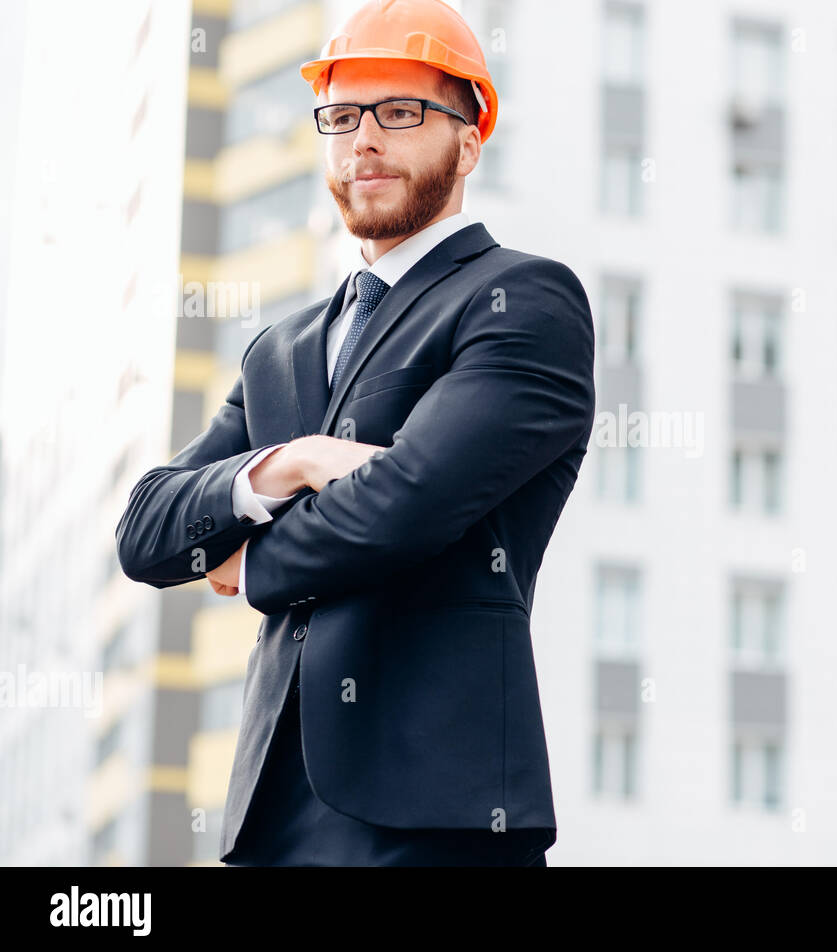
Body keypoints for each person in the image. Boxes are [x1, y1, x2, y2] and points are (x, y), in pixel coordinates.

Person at [115, 0, 594, 866]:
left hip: (435, 816)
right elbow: (147, 530)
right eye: (341, 117)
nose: (363, 140)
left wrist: (249, 560)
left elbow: (406, 506)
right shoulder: (281, 349)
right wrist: (292, 462)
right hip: (267, 819)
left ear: (470, 139)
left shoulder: (521, 303)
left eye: (401, 112)